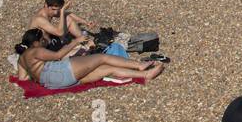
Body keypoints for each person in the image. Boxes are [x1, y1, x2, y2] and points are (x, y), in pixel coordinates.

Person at [16, 28, 163, 89]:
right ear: (35, 43)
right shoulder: (36, 51)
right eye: (43, 39)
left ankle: (145, 75)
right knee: (102, 57)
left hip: (53, 83)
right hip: (61, 72)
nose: (46, 41)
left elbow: (22, 79)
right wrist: (76, 41)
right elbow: (58, 55)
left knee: (106, 70)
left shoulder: (22, 58)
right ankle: (139, 66)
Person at [28, 0, 96, 47]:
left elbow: (67, 14)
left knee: (68, 18)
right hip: (43, 48)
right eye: (53, 9)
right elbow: (59, 33)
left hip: (50, 40)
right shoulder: (39, 19)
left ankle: (87, 42)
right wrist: (62, 10)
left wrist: (85, 22)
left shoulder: (49, 12)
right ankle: (86, 43)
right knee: (78, 50)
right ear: (46, 5)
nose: (55, 12)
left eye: (58, 10)